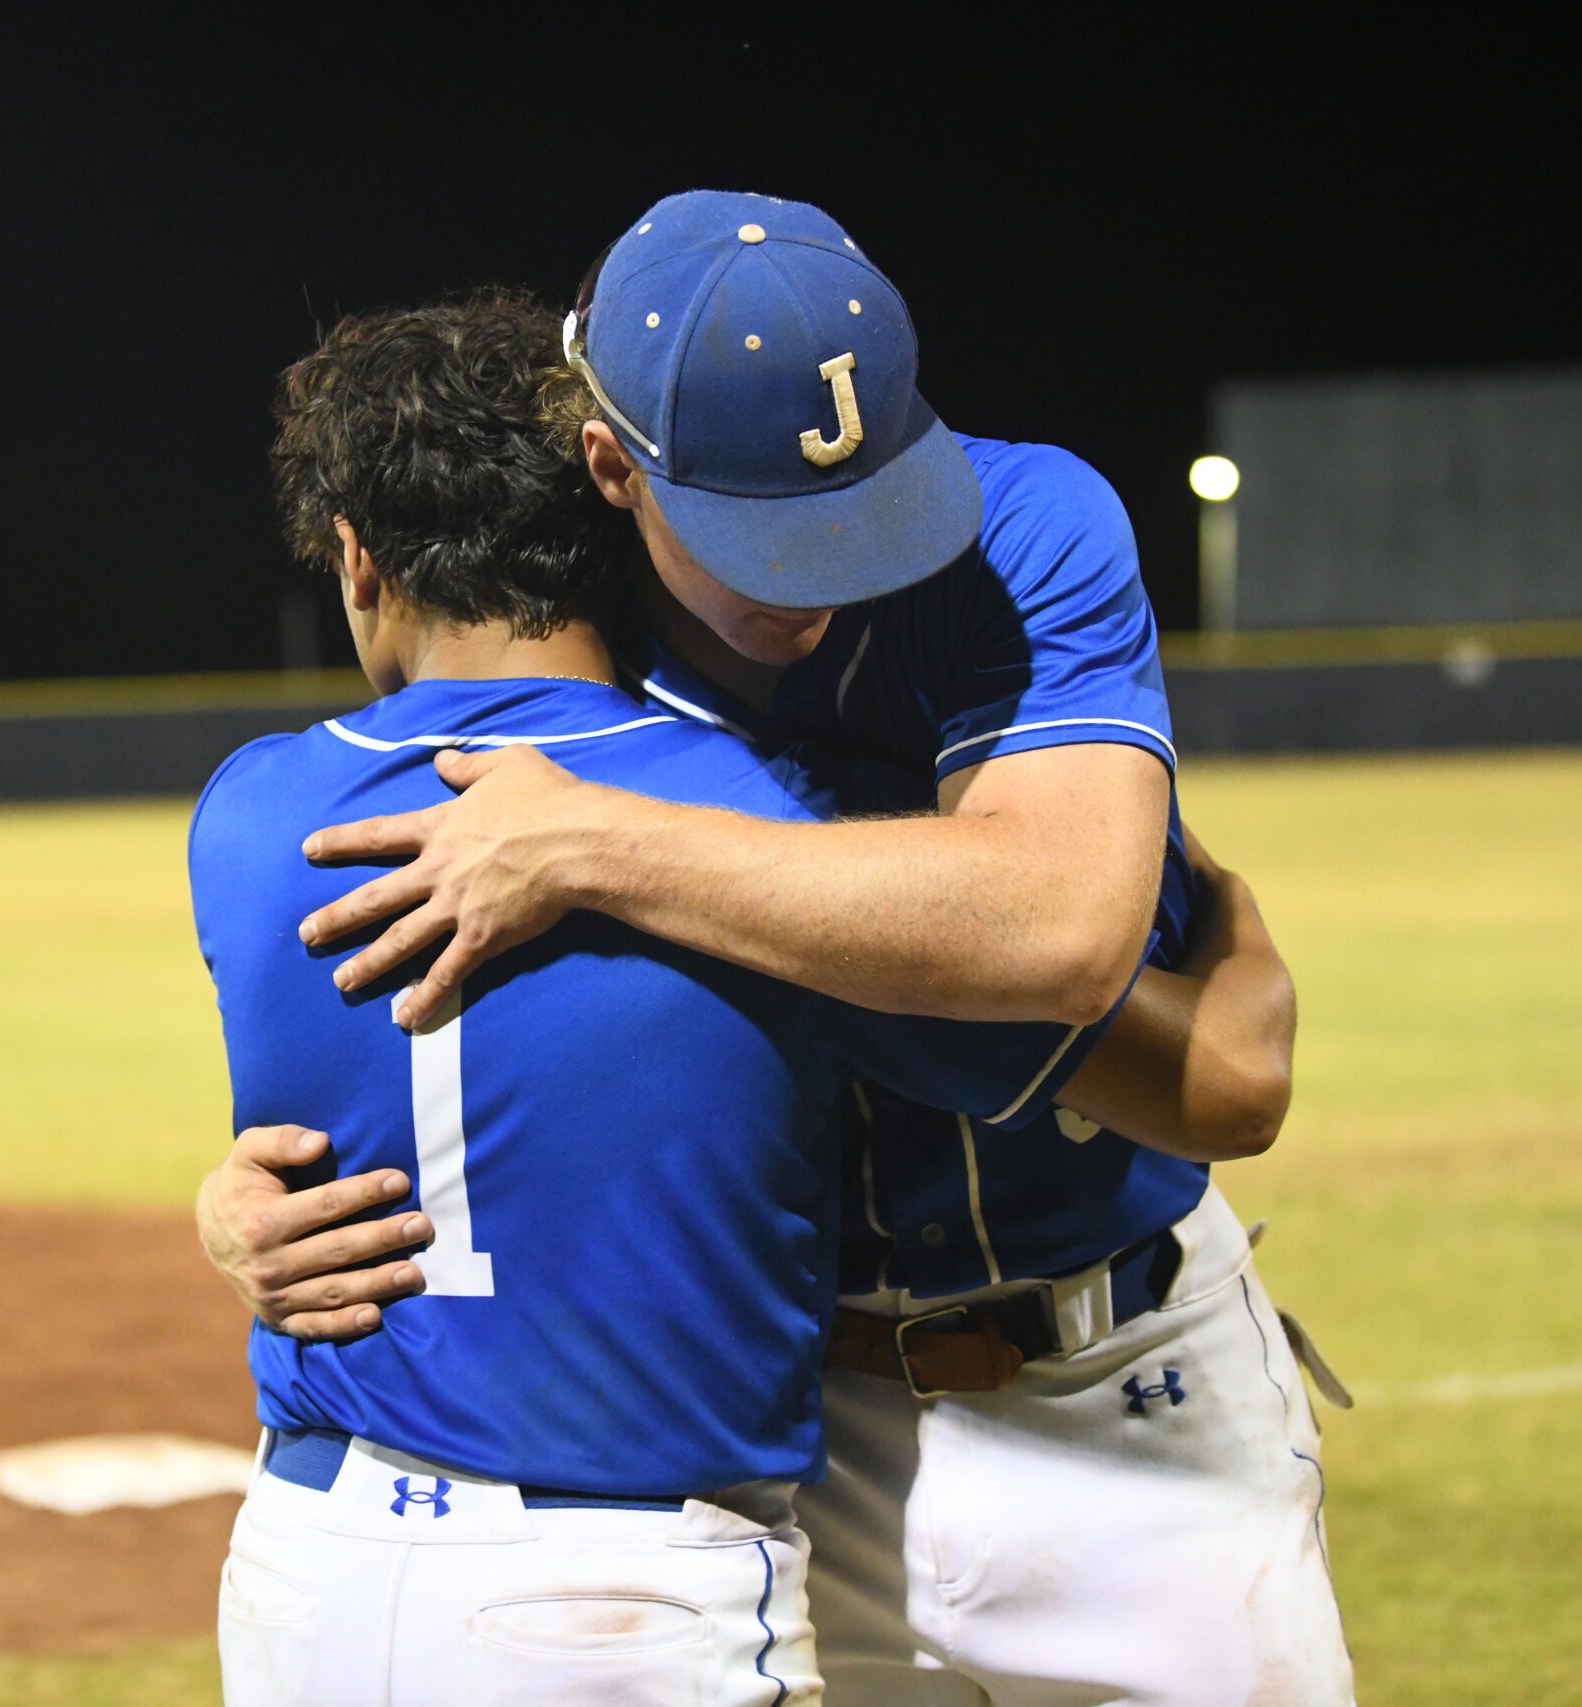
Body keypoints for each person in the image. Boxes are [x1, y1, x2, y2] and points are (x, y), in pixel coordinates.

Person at [207, 192, 1354, 1704]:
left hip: (1127, 1377)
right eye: (761, 535)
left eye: (867, 505)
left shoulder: (1026, 524)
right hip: (814, 1440)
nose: (822, 577)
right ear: (611, 469)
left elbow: (1085, 954)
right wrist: (242, 1202)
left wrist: (606, 844)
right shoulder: (577, 630)